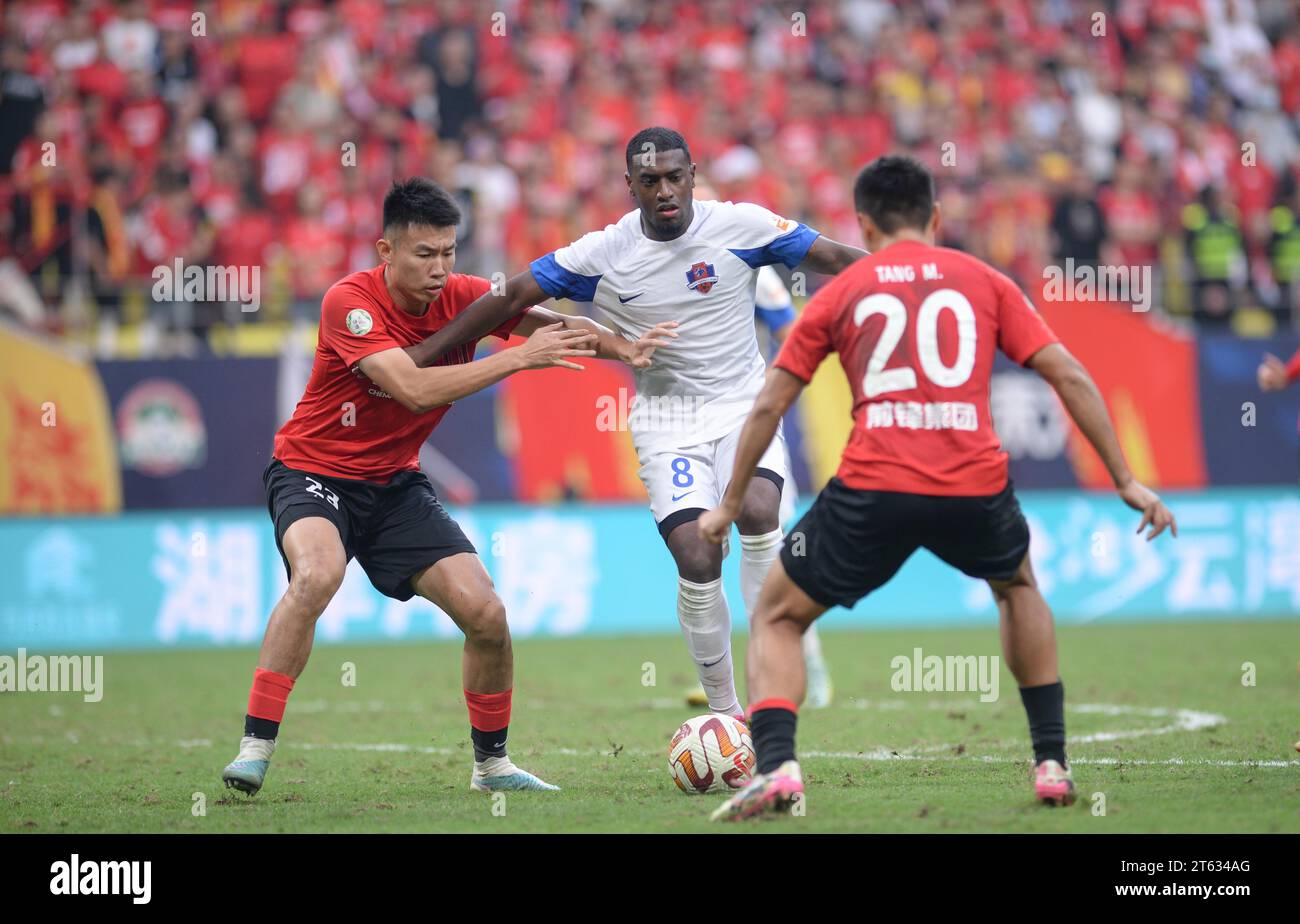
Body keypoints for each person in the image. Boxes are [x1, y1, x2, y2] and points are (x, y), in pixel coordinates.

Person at [700, 155, 1178, 821]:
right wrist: (1125, 477)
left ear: (864, 225)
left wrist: (728, 504)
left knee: (778, 615)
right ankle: (1051, 763)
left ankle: (779, 770)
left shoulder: (842, 291)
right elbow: (1067, 372)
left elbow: (768, 404)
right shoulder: (984, 280)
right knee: (1018, 588)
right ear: (936, 217)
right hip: (972, 483)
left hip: (875, 486)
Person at [399, 127, 865, 724]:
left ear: (693, 174)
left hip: (743, 406)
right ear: (631, 187)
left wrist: (914, 278)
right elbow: (512, 295)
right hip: (666, 421)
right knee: (697, 556)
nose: (665, 191)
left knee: (756, 510)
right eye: (650, 181)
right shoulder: (603, 253)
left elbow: (832, 258)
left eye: (675, 177)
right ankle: (727, 715)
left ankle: (770, 678)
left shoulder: (741, 226)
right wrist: (431, 348)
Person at [222, 177, 668, 796]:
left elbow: (557, 327)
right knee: (318, 574)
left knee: (486, 614)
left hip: (395, 485)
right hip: (313, 473)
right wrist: (515, 359)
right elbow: (412, 388)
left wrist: (627, 348)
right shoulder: (348, 303)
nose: (439, 268)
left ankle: (492, 767)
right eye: (423, 254)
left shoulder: (464, 296)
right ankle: (255, 746)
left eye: (449, 252)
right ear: (385, 251)